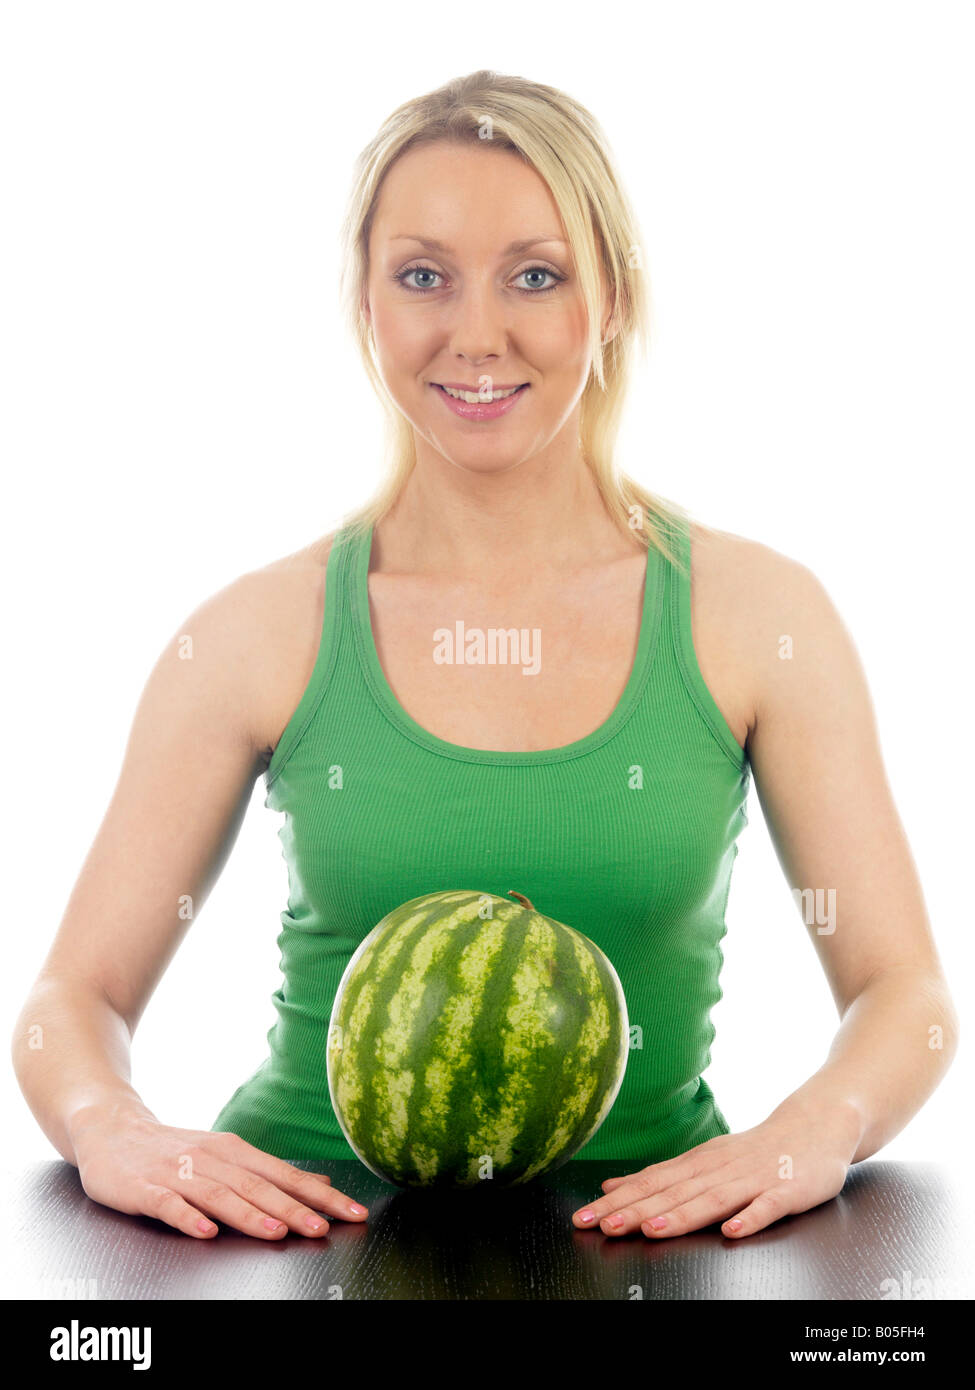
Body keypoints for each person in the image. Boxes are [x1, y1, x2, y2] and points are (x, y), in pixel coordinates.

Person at [12, 69, 958, 1243]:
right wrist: (111, 1124)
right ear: (366, 300)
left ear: (609, 299)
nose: (476, 334)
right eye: (423, 276)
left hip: (645, 1234)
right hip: (303, 1230)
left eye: (536, 274)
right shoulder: (262, 630)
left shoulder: (755, 614)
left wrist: (819, 1120)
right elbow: (73, 998)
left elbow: (904, 990)